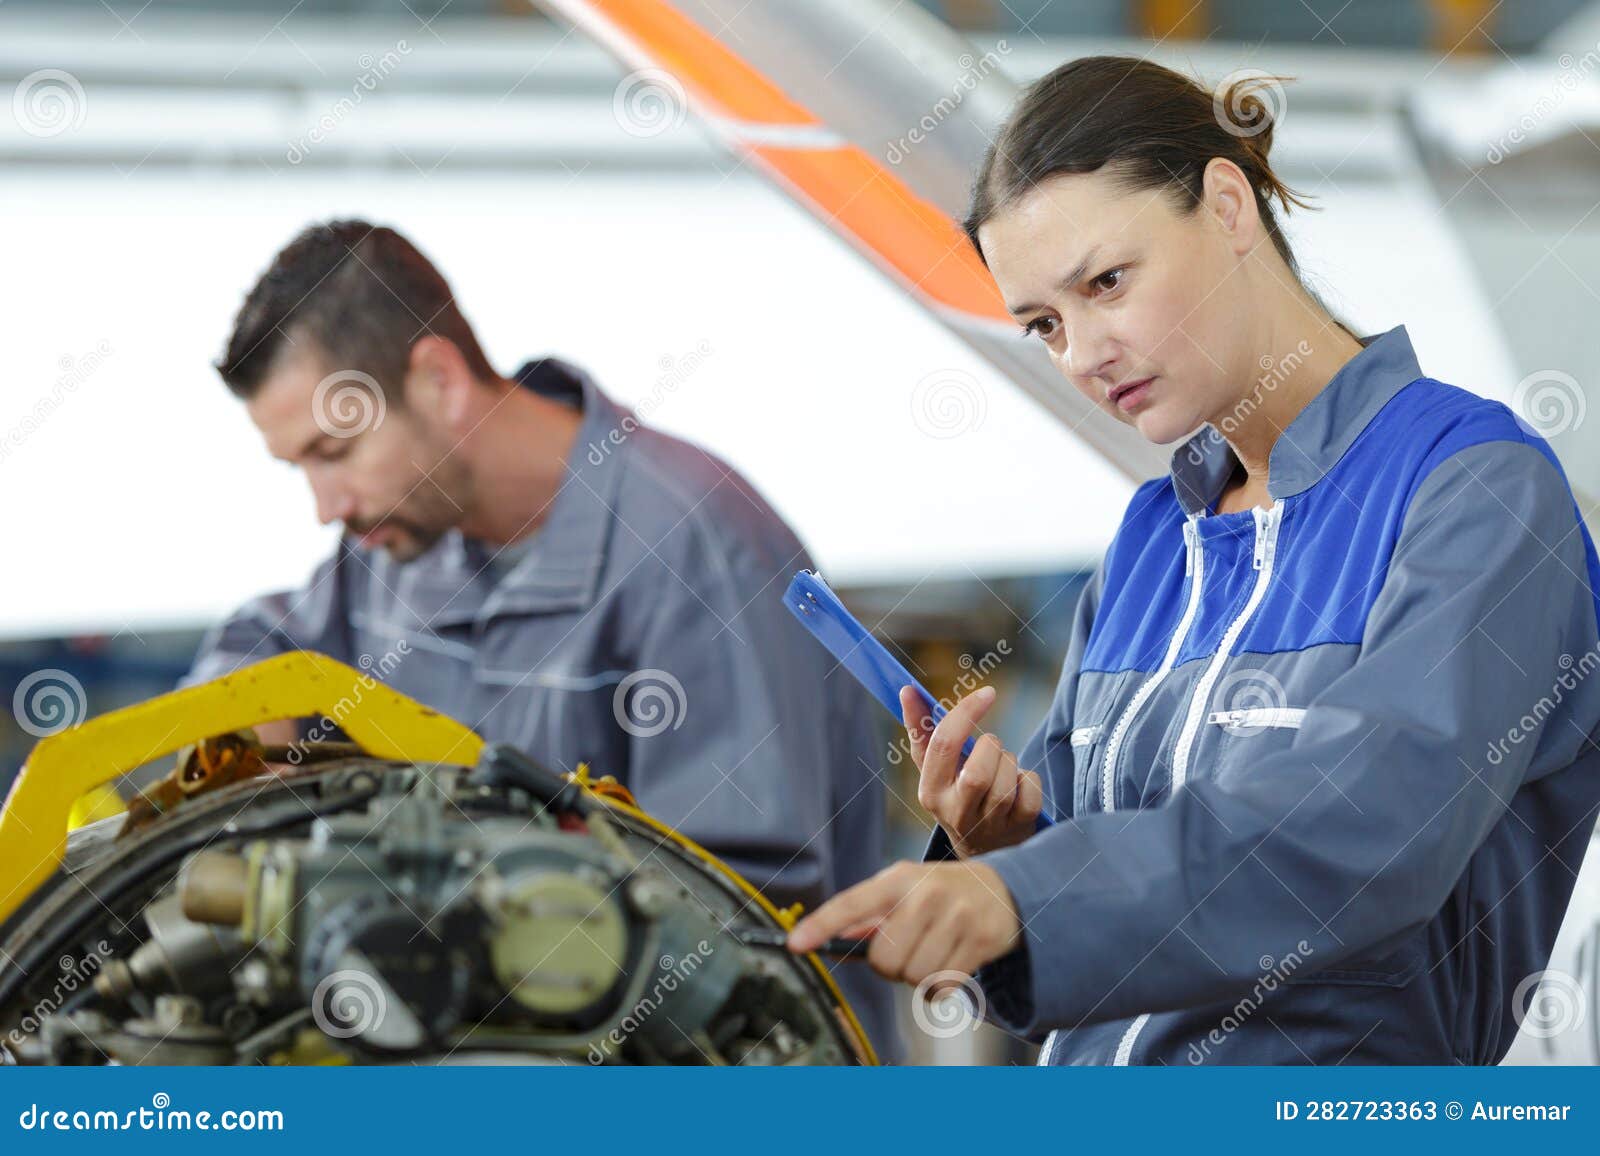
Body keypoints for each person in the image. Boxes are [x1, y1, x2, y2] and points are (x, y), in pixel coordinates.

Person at [789, 56, 1600, 1066]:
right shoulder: (1150, 540)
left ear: (1225, 204)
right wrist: (1002, 846)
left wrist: (1019, 896)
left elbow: (1361, 834)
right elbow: (1095, 922)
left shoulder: (1471, 490)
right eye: (1043, 323)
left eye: (1107, 282)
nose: (1083, 350)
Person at [186, 220, 896, 1057]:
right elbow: (270, 645)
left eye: (334, 451)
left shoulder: (699, 555)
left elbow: (737, 918)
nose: (325, 505)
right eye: (300, 466)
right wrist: (237, 740)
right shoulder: (403, 539)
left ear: (439, 380)